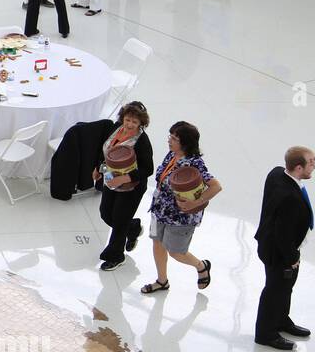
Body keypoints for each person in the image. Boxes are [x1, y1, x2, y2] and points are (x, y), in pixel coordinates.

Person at [141, 121, 222, 295]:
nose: (169, 140)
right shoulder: (172, 155)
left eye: (174, 138)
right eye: (170, 136)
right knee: (157, 243)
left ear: (185, 142)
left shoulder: (195, 164)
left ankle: (201, 266)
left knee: (176, 252)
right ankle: (161, 281)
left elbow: (216, 186)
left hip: (180, 217)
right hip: (159, 209)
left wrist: (195, 203)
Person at [253, 147, 315, 350]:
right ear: (299, 167)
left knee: (284, 289)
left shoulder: (278, 173)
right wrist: (292, 257)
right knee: (275, 289)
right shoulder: (289, 197)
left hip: (271, 243)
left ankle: (280, 320)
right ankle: (265, 333)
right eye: (311, 162)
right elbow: (282, 234)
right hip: (278, 252)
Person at [93, 102, 153, 271]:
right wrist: (98, 168)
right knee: (106, 214)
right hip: (111, 179)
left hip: (132, 187)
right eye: (127, 120)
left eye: (134, 122)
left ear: (141, 123)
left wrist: (124, 178)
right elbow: (106, 150)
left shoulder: (141, 141)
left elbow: (148, 169)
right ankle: (132, 227)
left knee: (119, 221)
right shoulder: (117, 129)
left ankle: (116, 256)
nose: (130, 124)